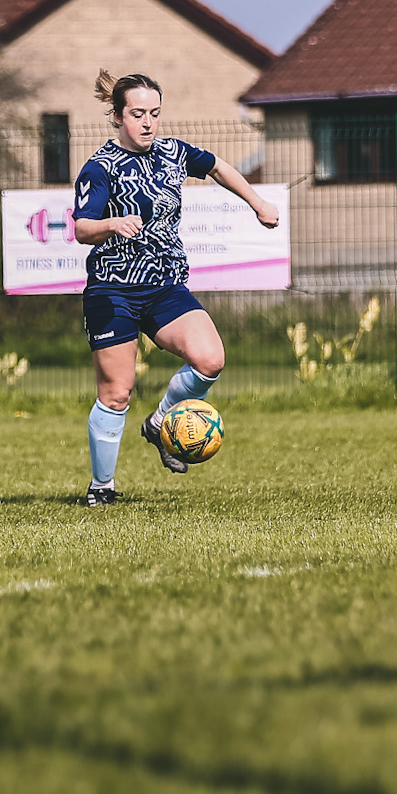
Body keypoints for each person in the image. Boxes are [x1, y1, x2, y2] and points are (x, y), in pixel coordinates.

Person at [72, 69, 279, 507]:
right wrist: (111, 223)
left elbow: (218, 166)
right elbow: (82, 228)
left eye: (154, 114)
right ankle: (101, 489)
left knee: (210, 359)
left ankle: (160, 424)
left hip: (166, 286)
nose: (147, 123)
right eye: (137, 114)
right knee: (117, 392)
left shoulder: (173, 153)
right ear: (116, 117)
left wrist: (257, 202)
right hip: (114, 290)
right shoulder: (100, 168)